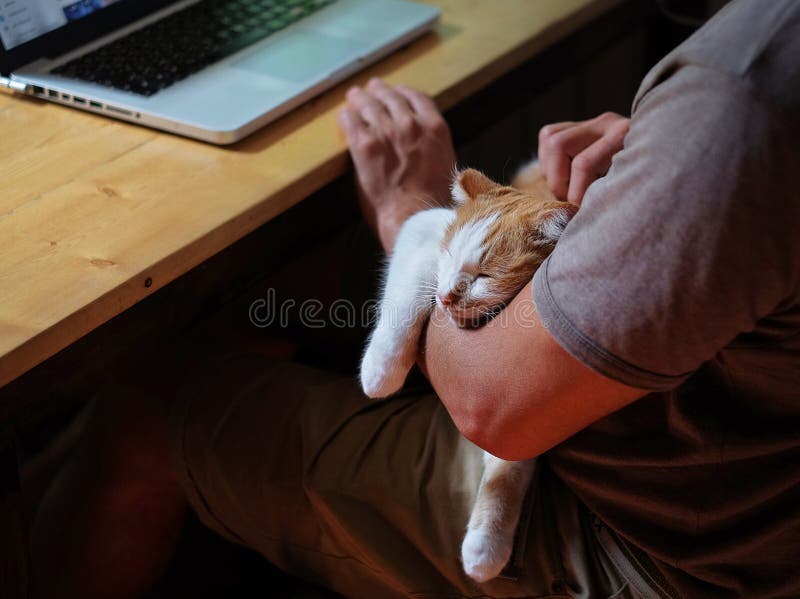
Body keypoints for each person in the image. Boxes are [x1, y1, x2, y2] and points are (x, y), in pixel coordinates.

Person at [29, 0, 800, 597]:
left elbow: (494, 408)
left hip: (668, 559)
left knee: (145, 405)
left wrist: (411, 205)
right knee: (272, 313)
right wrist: (672, 157)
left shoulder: (745, 88)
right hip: (757, 501)